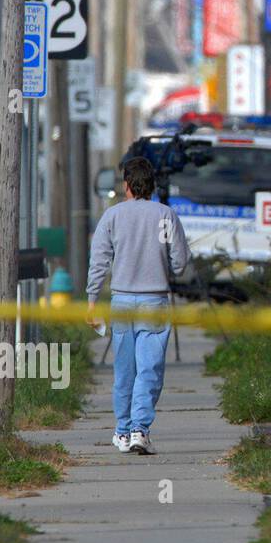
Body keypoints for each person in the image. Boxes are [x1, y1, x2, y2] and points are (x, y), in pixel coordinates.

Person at [86, 156, 191, 456]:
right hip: (155, 300)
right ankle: (139, 430)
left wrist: (92, 300)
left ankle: (122, 429)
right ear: (153, 186)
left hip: (121, 301)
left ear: (127, 185)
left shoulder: (112, 216)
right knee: (150, 370)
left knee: (124, 370)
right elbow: (181, 262)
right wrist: (166, 264)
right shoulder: (166, 216)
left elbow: (99, 261)